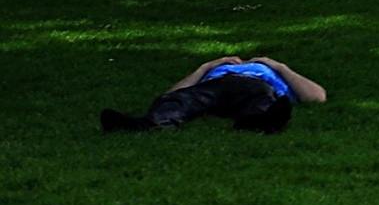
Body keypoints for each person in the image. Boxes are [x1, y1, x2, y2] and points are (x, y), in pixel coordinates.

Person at [102, 54, 326, 134]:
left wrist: (278, 66)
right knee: (182, 100)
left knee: (261, 98)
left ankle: (259, 121)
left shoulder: (267, 72)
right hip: (217, 85)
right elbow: (175, 92)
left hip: (255, 86)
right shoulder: (214, 70)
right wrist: (205, 67)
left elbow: (317, 97)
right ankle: (152, 123)